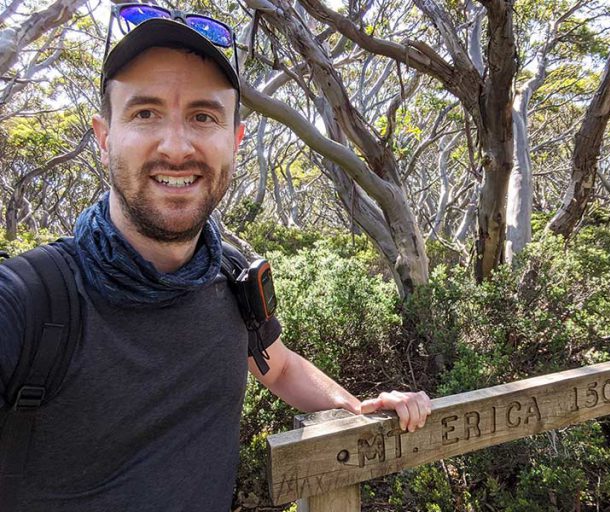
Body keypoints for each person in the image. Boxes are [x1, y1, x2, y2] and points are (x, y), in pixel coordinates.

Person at [0, 8, 431, 511]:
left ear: (235, 141)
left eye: (203, 116)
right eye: (145, 113)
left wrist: (357, 407)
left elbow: (279, 367)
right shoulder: (28, 300)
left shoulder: (230, 277)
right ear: (103, 136)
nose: (177, 147)